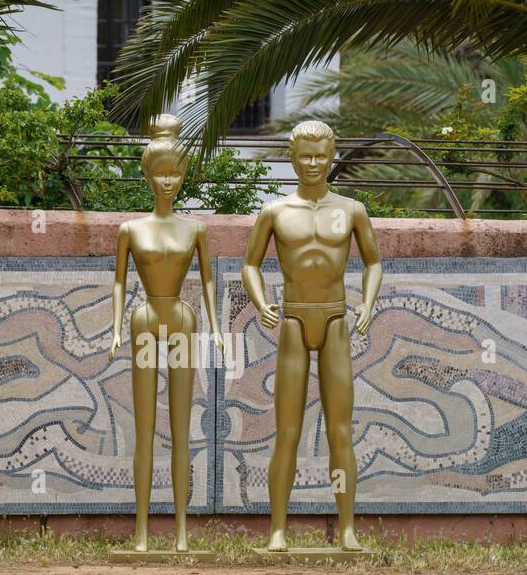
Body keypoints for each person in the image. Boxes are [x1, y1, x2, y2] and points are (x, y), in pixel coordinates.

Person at [242, 120, 382, 551]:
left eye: (321, 155)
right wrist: (260, 300)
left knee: (341, 430)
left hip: (337, 319)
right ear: (292, 157)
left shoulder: (352, 210)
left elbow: (374, 263)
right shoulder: (275, 212)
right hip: (293, 320)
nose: (314, 163)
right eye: (305, 156)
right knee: (287, 430)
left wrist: (367, 303)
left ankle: (347, 529)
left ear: (332, 155)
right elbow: (250, 264)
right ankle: (278, 529)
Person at [109, 115, 223, 551]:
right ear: (147, 174)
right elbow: (119, 281)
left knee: (180, 428)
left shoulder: (195, 228)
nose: (168, 180)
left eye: (175, 172)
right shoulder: (130, 229)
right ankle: (140, 530)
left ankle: (179, 532)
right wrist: (116, 325)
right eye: (161, 173)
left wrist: (215, 327)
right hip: (142, 321)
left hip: (181, 319)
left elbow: (208, 280)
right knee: (145, 428)